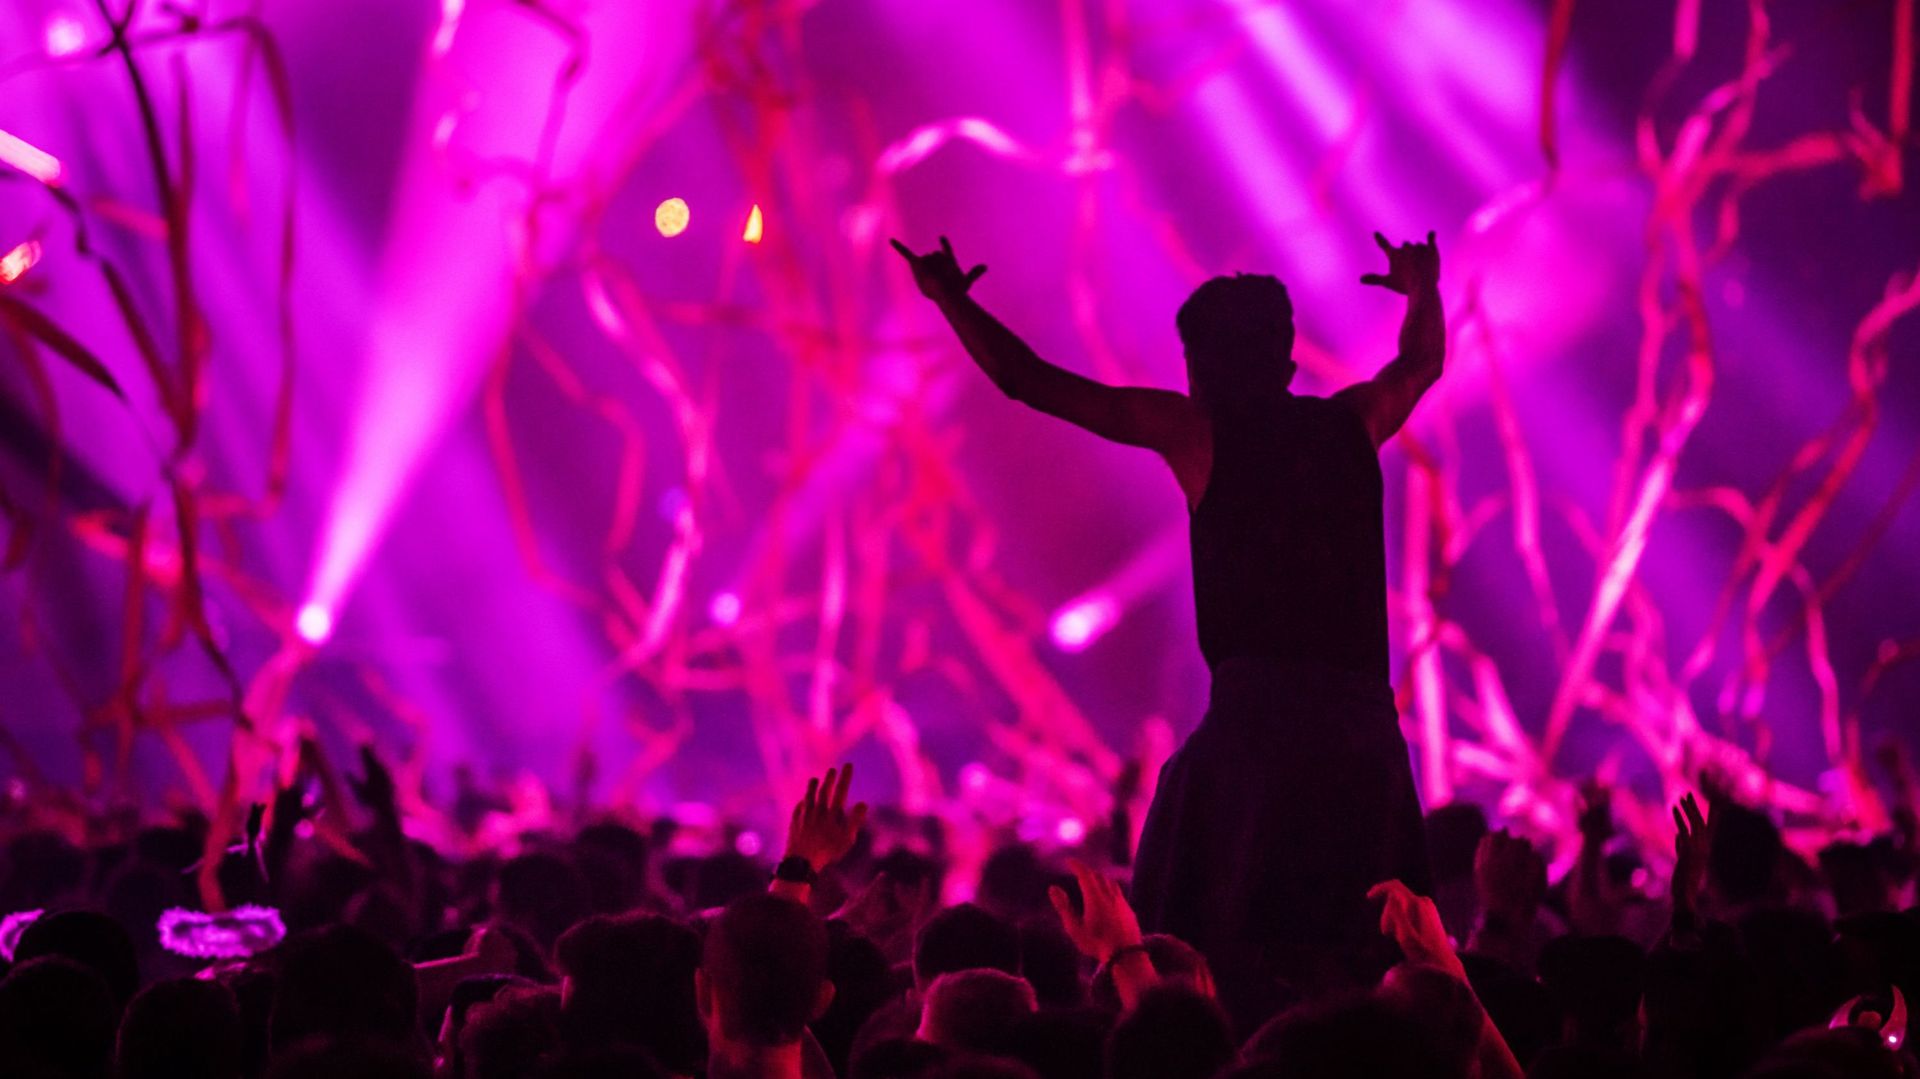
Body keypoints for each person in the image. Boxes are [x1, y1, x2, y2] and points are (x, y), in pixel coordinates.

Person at [891, 229, 1445, 1004]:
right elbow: (1420, 365)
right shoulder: (1352, 422)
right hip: (1361, 740)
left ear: (1203, 370)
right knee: (1370, 961)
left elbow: (1029, 381)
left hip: (1258, 740)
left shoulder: (1197, 432)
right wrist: (1422, 289)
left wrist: (950, 299)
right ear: (1287, 361)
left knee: (1204, 947)